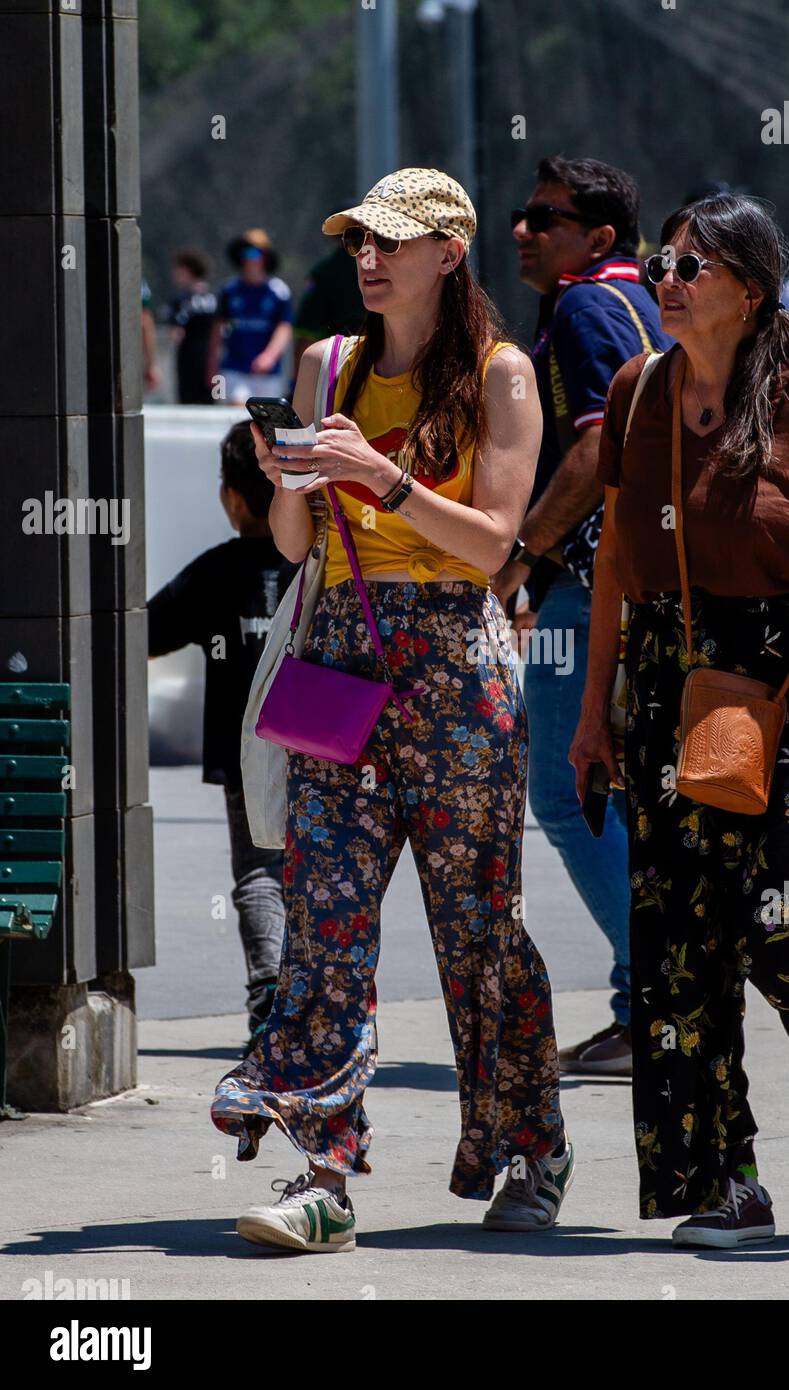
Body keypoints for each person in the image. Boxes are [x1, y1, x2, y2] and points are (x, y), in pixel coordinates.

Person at [211, 168, 573, 1253]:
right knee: (327, 917)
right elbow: (291, 545)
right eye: (360, 240)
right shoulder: (328, 363)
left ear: (447, 254)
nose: (369, 258)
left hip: (458, 661)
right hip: (343, 657)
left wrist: (382, 479)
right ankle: (326, 1168)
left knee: (479, 930)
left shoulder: (504, 377)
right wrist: (293, 476)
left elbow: (500, 546)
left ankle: (528, 1145)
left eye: (394, 242)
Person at [570, 191, 789, 1247]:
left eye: (689, 264)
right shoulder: (637, 393)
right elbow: (614, 574)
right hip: (670, 671)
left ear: (750, 289)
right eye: (659, 260)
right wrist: (592, 713)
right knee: (679, 941)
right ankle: (727, 1180)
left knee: (778, 921)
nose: (665, 279)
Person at [492, 156, 671, 1077]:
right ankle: (662, 1000)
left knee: (568, 789)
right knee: (631, 793)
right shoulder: (645, 297)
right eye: (522, 215)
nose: (522, 230)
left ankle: (646, 1002)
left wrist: (517, 557)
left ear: (598, 236)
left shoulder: (586, 307)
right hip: (652, 580)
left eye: (545, 218)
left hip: (595, 585)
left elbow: (598, 439)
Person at [147, 420, 294, 1050]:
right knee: (318, 873)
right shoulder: (320, 563)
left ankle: (269, 994)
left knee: (259, 870)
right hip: (325, 748)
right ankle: (316, 999)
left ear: (233, 497)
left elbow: (146, 632)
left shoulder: (214, 571)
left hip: (245, 757)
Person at [208, 228, 294, 406]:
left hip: (267, 373)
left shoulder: (278, 291)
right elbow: (217, 331)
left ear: (265, 257)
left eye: (256, 253)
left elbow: (284, 328)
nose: (250, 258)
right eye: (246, 253)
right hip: (235, 368)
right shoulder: (229, 290)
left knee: (267, 418)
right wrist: (212, 367)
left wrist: (269, 356)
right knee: (238, 409)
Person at [291, 239, 365, 379]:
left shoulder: (324, 272)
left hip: (336, 371)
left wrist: (298, 383)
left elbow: (306, 336)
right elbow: (307, 332)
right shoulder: (387, 268)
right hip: (371, 368)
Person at [168, 248, 219, 404]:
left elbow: (176, 333)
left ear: (188, 270)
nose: (174, 274)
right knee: (215, 403)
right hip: (215, 362)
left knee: (188, 406)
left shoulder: (182, 300)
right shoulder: (216, 297)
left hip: (188, 363)